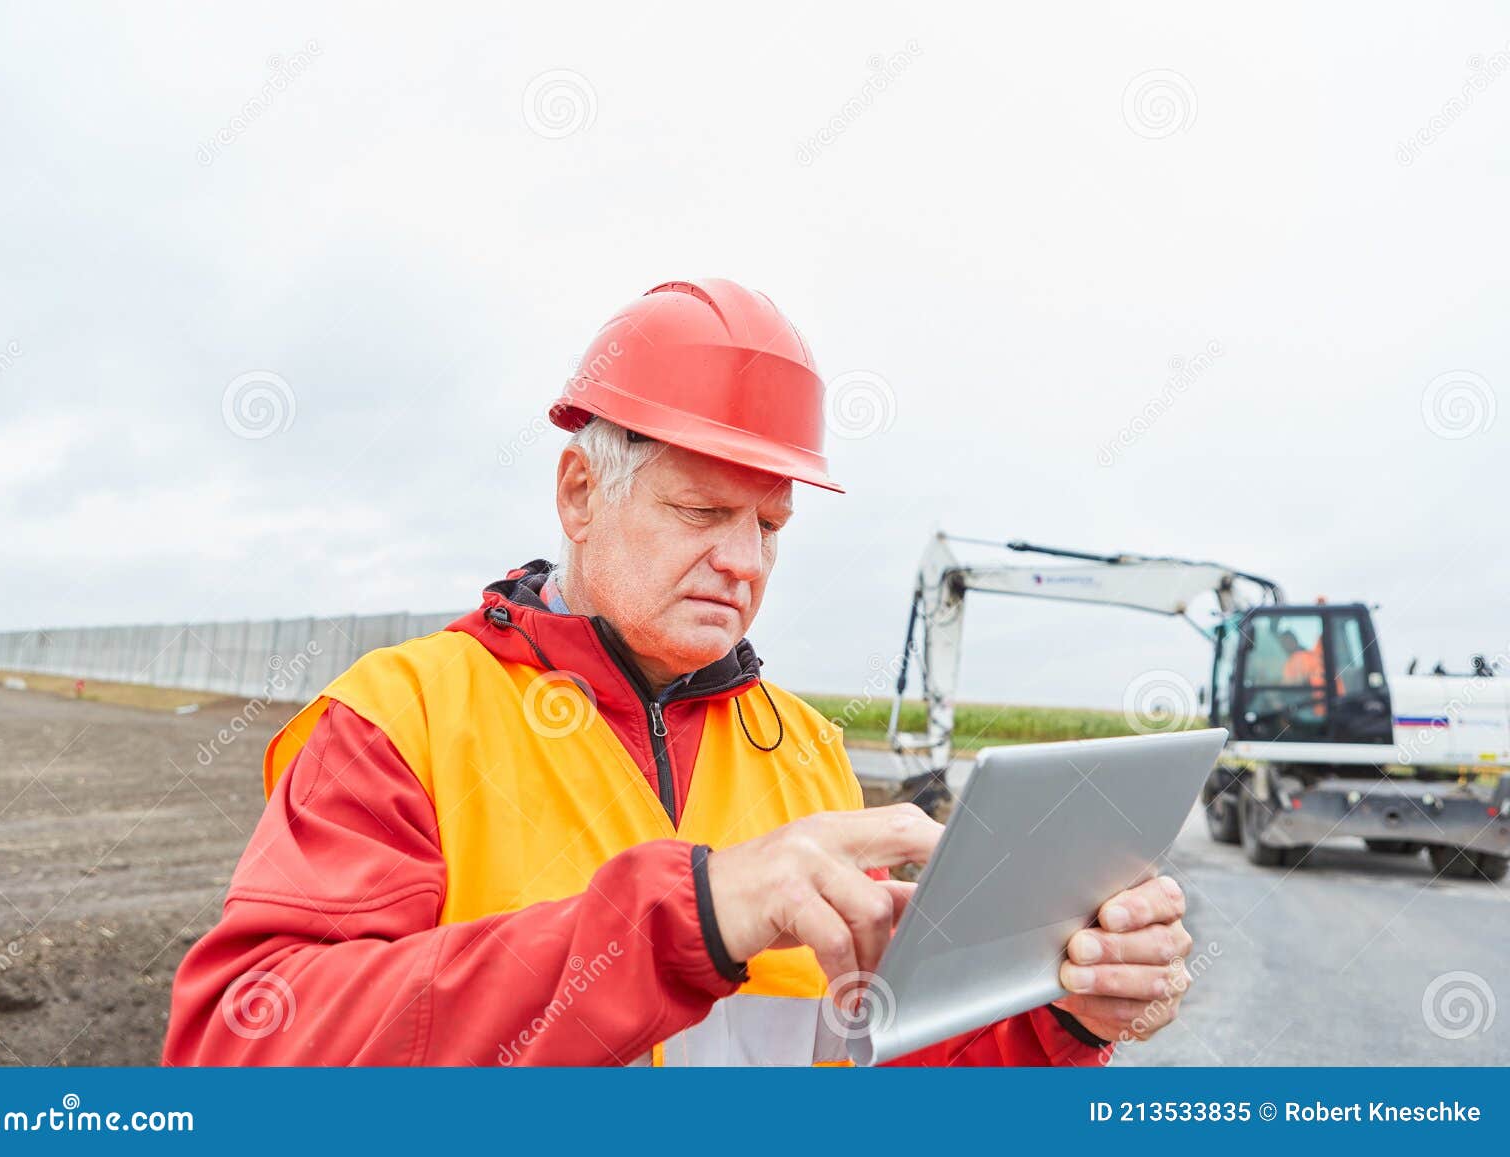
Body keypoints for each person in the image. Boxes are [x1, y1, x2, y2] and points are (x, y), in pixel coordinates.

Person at [164, 278, 1194, 1066]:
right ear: (579, 492)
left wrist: (1054, 1007)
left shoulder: (802, 753)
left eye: (769, 524)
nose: (744, 559)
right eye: (701, 512)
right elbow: (243, 1050)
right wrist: (689, 918)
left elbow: (864, 1061)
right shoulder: (407, 717)